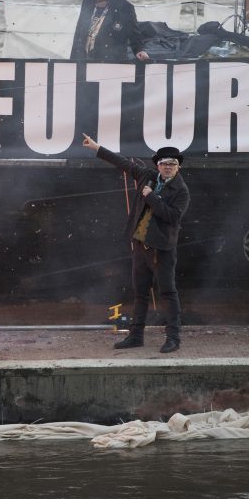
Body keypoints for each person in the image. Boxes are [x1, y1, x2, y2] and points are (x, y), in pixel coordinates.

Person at [81, 135, 190, 353]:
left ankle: (173, 338)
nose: (168, 167)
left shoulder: (181, 191)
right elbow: (123, 163)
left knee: (168, 293)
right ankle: (136, 335)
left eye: (172, 164)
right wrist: (96, 148)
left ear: (178, 167)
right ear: (157, 165)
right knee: (140, 293)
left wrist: (152, 198)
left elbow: (172, 217)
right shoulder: (147, 176)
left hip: (162, 250)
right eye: (164, 163)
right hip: (141, 247)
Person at [70, 0, 150, 62]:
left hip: (110, 60)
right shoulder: (87, 1)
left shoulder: (124, 7)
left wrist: (139, 50)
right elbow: (79, 31)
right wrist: (74, 60)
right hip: (83, 57)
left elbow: (133, 33)